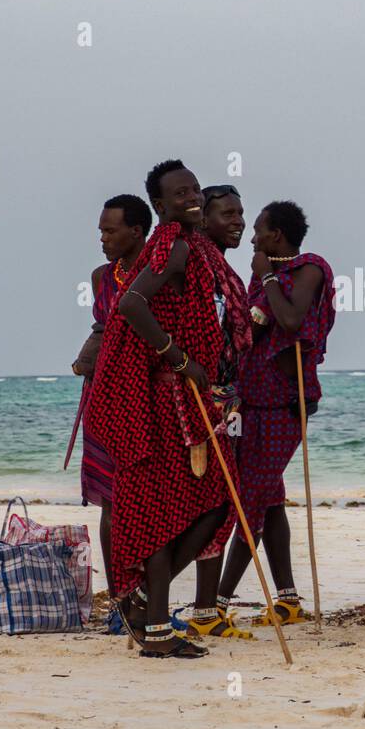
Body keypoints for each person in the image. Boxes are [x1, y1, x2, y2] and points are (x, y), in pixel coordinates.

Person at [86, 160, 251, 659]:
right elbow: (131, 305)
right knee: (169, 510)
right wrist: (179, 358)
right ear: (160, 207)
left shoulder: (196, 250)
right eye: (180, 194)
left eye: (195, 189)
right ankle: (155, 624)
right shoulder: (174, 248)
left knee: (213, 503)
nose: (192, 198)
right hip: (166, 401)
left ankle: (145, 602)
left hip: (194, 398)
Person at [216, 201, 336, 626]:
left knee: (249, 501)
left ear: (277, 236)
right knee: (268, 500)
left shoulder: (310, 269)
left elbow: (289, 319)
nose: (251, 238)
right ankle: (286, 599)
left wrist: (265, 273)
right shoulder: (264, 274)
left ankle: (215, 604)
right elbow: (255, 325)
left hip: (287, 402)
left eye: (259, 231)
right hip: (252, 400)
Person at [179, 184, 255, 640]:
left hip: (227, 400)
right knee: (211, 502)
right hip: (201, 400)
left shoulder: (222, 267)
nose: (238, 222)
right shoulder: (199, 264)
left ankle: (204, 608)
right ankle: (168, 601)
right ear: (203, 218)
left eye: (241, 213)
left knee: (219, 503)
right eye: (228, 214)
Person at [71, 193, 151, 596]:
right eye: (100, 230)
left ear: (136, 232)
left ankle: (150, 596)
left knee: (148, 501)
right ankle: (121, 596)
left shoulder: (161, 272)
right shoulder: (102, 277)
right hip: (103, 399)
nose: (102, 238)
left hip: (146, 400)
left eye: (109, 230)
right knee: (112, 501)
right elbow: (102, 328)